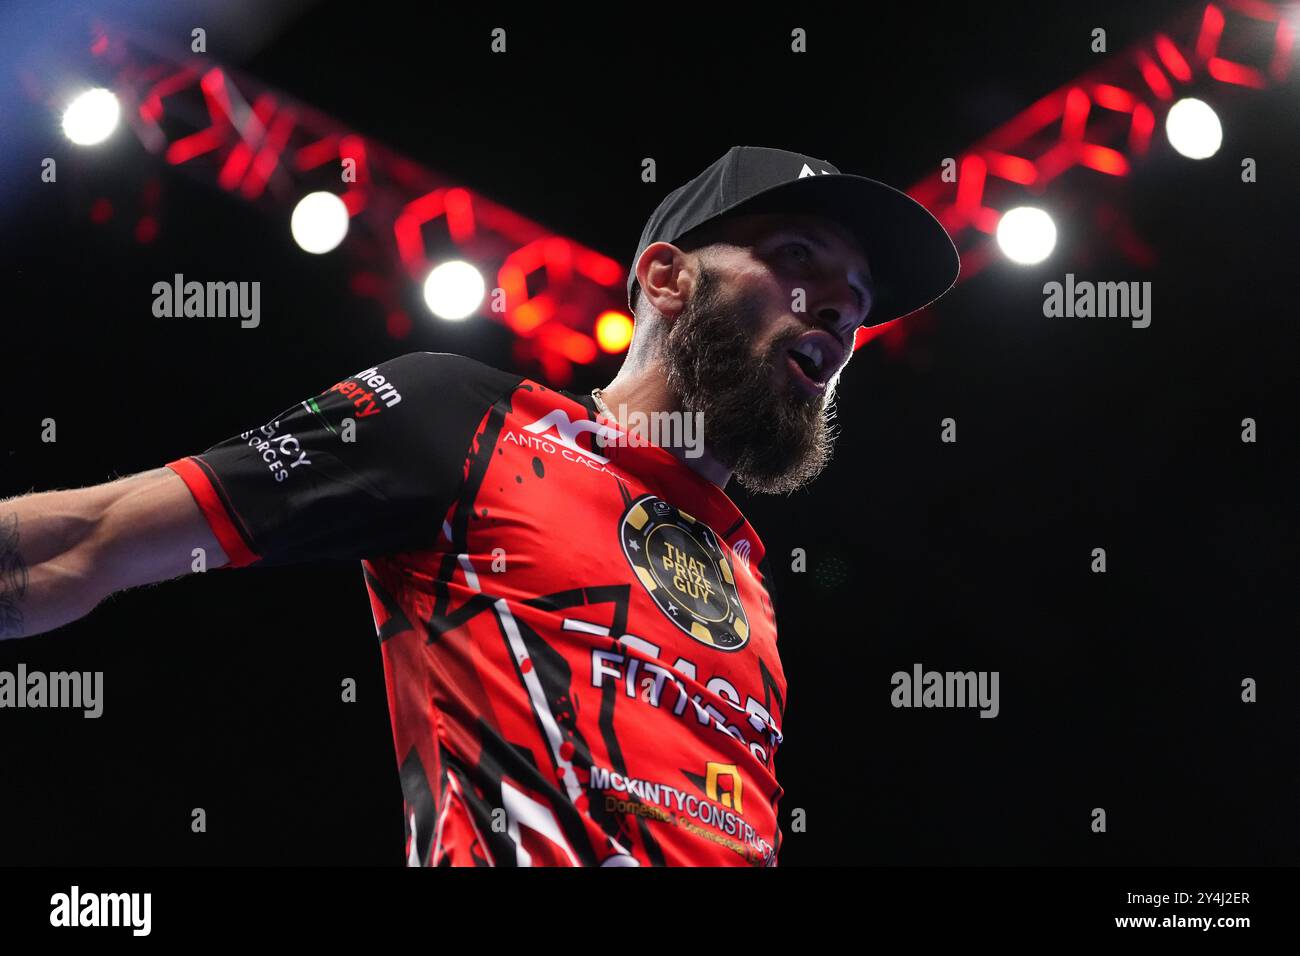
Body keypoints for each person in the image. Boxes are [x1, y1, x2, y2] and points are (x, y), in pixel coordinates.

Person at [0, 145, 958, 866]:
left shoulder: (746, 579)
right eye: (801, 259)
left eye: (858, 301)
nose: (839, 307)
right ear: (668, 279)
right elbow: (82, 541)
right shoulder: (468, 421)